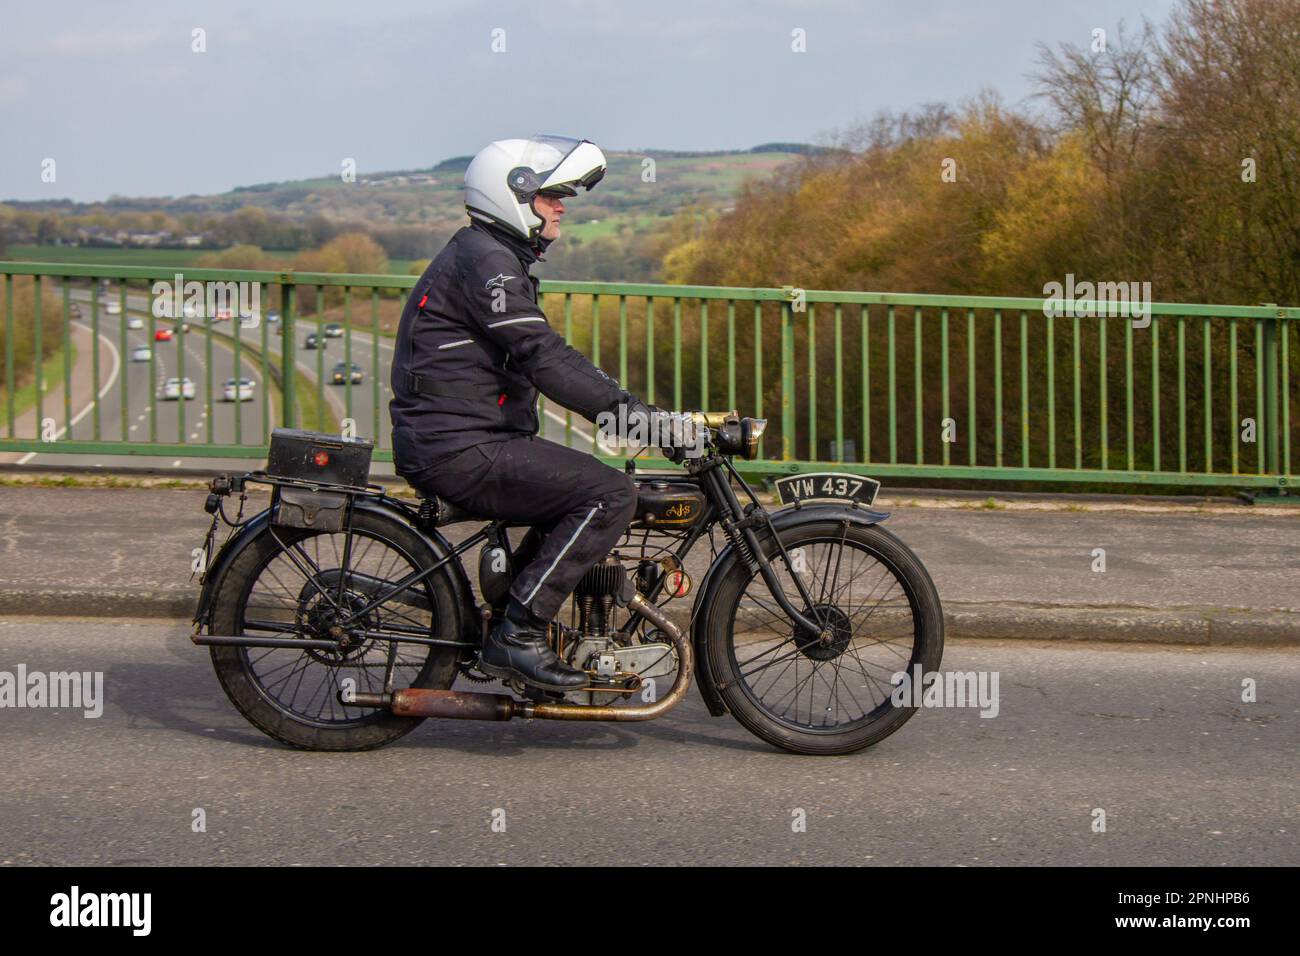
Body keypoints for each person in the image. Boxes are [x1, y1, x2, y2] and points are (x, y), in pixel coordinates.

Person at [389, 136, 676, 694]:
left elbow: (546, 354)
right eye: (550, 197)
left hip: (464, 439)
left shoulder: (487, 256)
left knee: (573, 486)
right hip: (459, 448)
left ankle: (514, 617)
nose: (561, 207)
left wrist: (635, 412)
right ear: (512, 197)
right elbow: (544, 357)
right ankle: (517, 635)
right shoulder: (490, 264)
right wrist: (642, 420)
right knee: (608, 494)